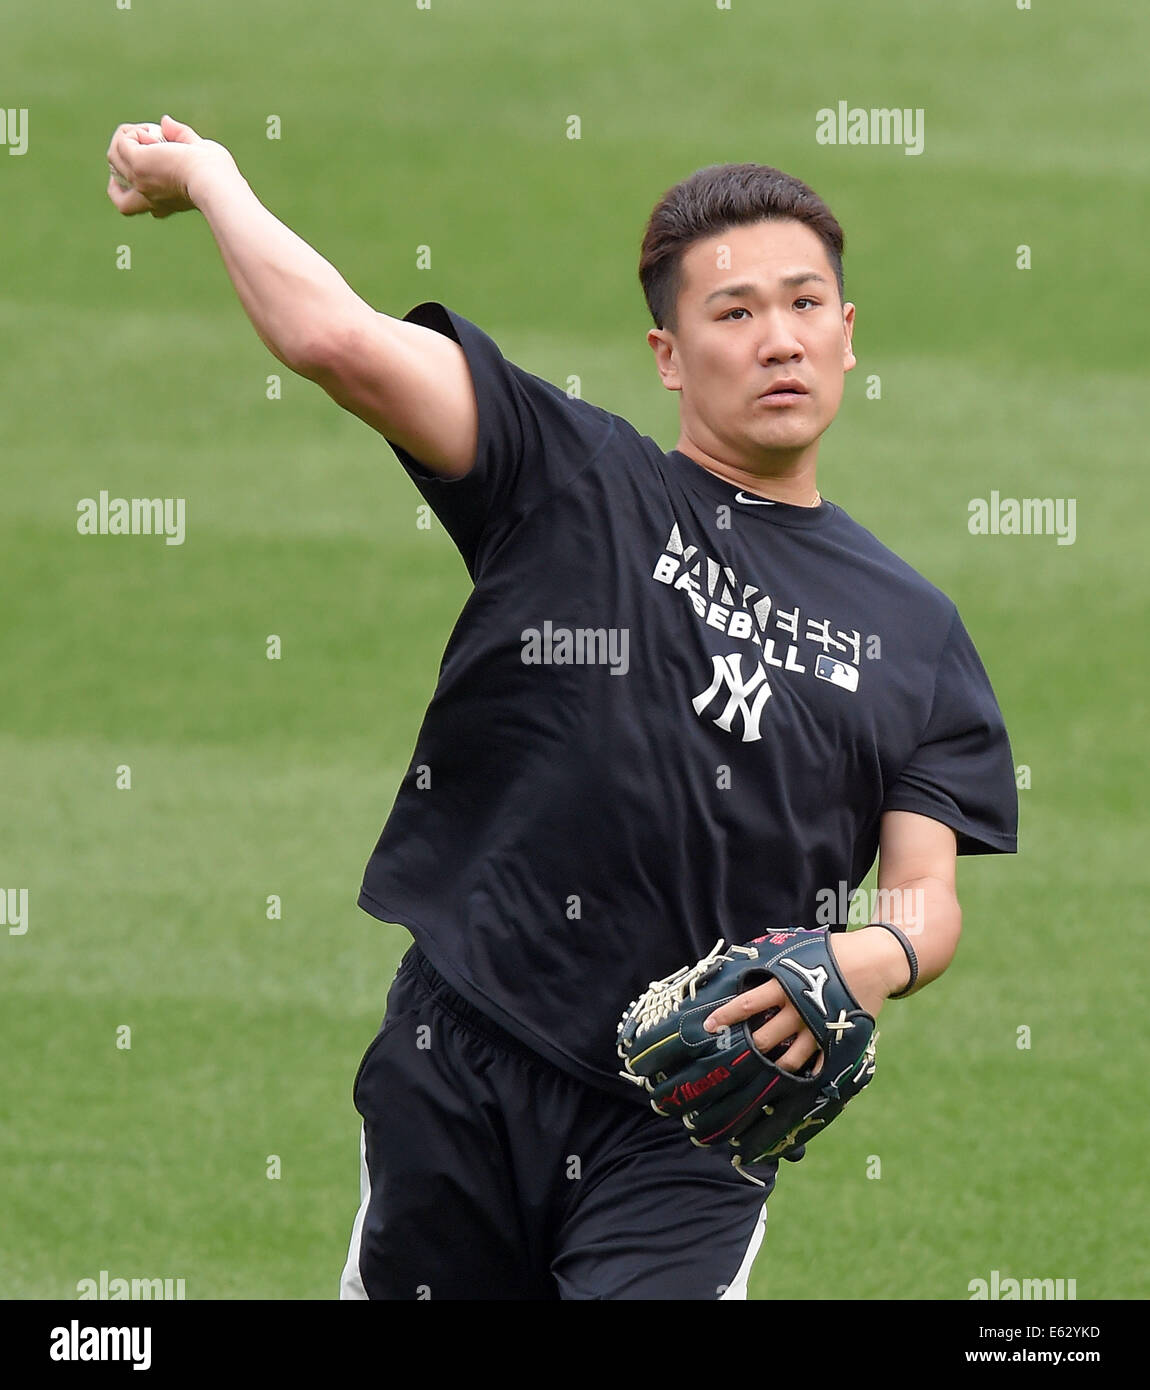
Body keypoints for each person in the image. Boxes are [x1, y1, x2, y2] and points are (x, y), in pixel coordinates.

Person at [106, 118, 1019, 1301]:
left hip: (693, 1107)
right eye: (732, 313)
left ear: (847, 336)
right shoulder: (572, 477)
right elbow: (334, 339)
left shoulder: (916, 631)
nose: (778, 340)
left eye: (804, 305)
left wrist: (869, 956)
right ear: (669, 355)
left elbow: (922, 896)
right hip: (463, 1054)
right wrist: (209, 176)